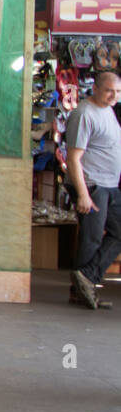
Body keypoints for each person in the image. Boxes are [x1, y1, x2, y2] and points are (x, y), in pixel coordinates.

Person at [65, 68, 121, 309]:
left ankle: (87, 278)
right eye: (109, 90)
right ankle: (82, 290)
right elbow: (74, 158)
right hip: (92, 184)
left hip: (109, 184)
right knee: (91, 238)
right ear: (95, 88)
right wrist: (83, 194)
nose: (113, 95)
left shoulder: (107, 110)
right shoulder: (84, 114)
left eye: (117, 91)